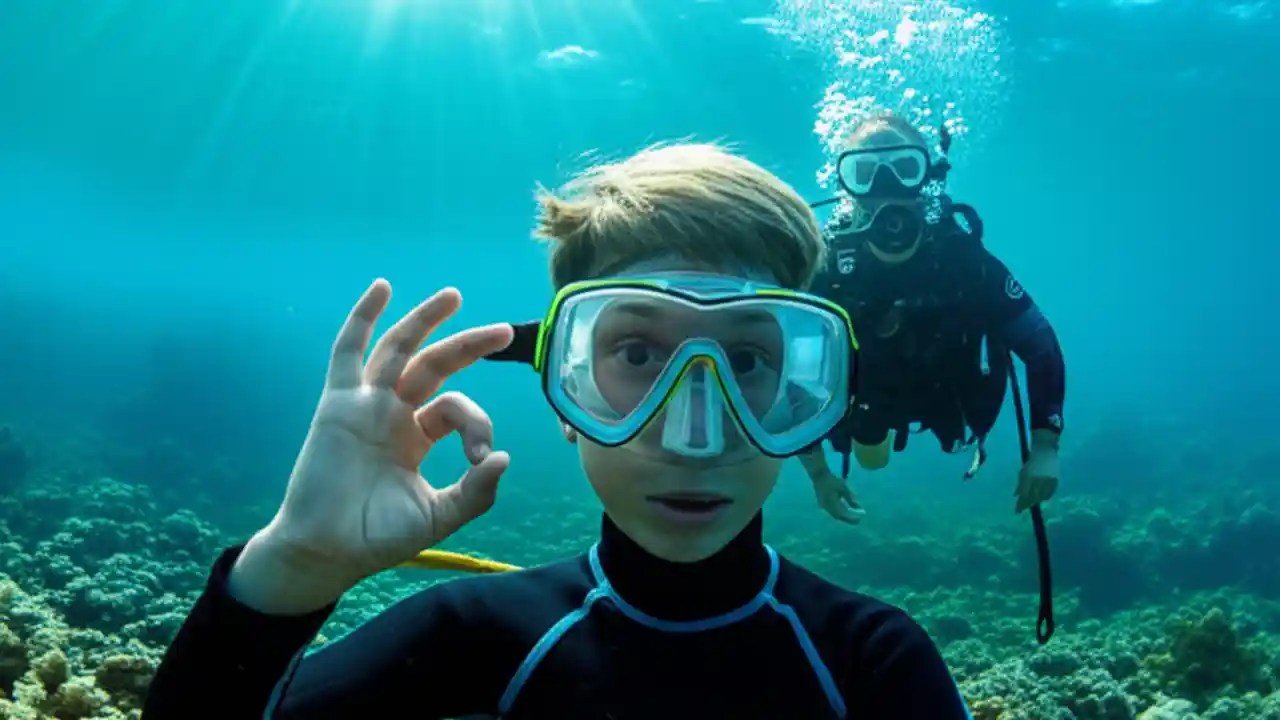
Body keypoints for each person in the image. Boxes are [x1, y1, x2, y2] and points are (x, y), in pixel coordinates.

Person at [141, 142, 975, 719]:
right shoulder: (467, 636)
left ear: (809, 394)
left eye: (750, 362)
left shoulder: (877, 664)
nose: (693, 434)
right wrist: (291, 569)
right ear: (563, 387)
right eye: (638, 352)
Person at [799, 112, 1066, 525]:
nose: (885, 189)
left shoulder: (964, 260)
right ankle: (872, 441)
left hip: (947, 397)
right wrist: (818, 473)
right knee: (870, 453)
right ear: (846, 186)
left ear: (928, 176)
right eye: (865, 173)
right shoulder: (827, 267)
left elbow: (1039, 341)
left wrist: (1045, 447)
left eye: (905, 169)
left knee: (910, 441)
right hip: (865, 404)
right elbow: (793, 367)